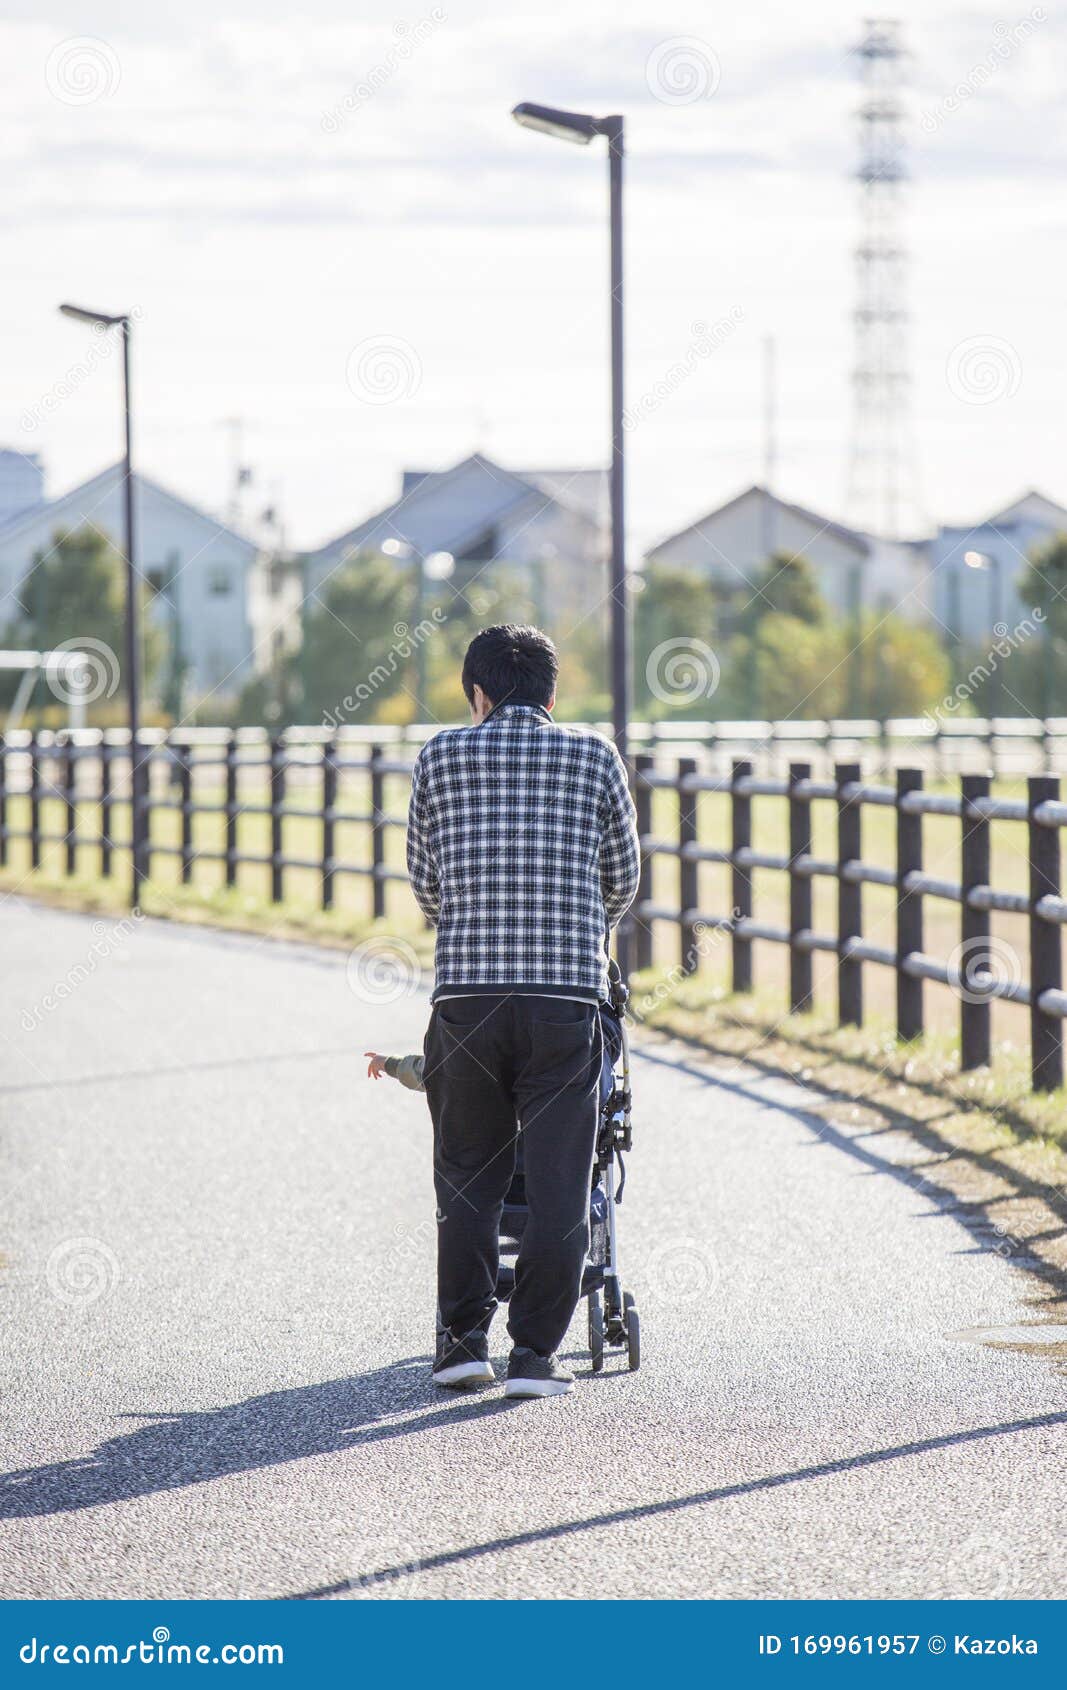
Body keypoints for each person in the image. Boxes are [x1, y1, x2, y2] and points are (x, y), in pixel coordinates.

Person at [406, 623, 640, 1399]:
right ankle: (535, 1356)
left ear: (478, 693)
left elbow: (426, 884)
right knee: (560, 1180)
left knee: (467, 1178)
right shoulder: (593, 755)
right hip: (564, 1002)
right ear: (550, 693)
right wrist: (576, 925)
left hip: (466, 1000)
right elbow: (621, 880)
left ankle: (461, 1345)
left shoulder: (440, 755)